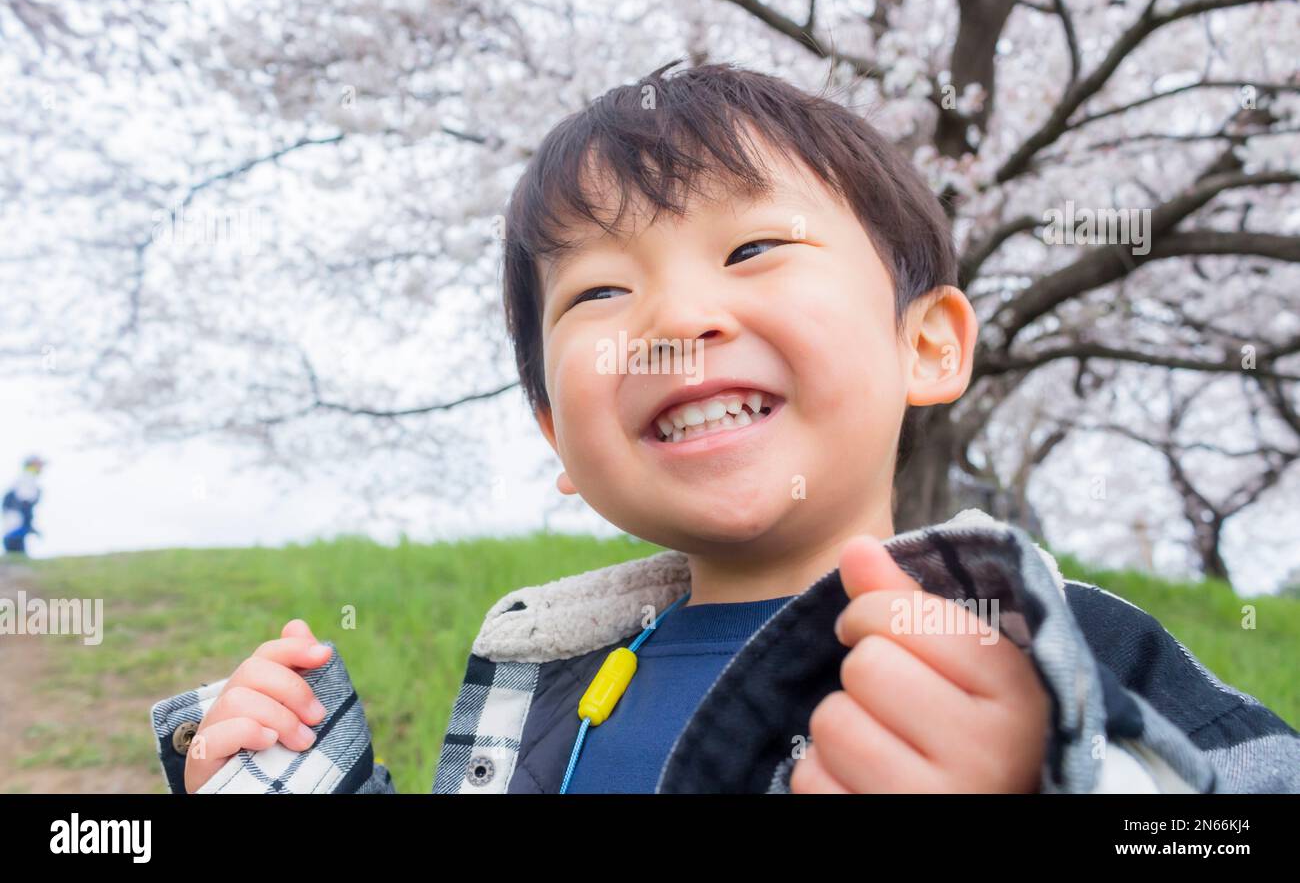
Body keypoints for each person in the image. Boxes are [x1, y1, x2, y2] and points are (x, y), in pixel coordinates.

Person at [149, 61, 1300, 794]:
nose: (676, 319)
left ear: (929, 344)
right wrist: (283, 776)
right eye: (597, 293)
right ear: (555, 432)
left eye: (753, 249)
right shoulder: (544, 683)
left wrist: (1045, 775)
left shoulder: (1035, 649)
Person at [2, 455, 44, 556]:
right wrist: (28, 523)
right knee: (14, 540)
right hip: (16, 518)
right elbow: (25, 502)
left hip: (16, 518)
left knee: (16, 538)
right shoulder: (27, 479)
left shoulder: (25, 479)